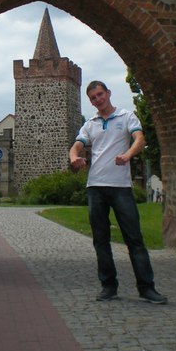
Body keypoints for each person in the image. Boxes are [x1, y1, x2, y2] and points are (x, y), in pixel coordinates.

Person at [69, 80, 167, 304]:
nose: (98, 99)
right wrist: (74, 157)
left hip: (121, 187)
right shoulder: (90, 124)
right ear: (91, 102)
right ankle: (108, 286)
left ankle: (147, 288)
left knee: (134, 238)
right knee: (100, 240)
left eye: (100, 94)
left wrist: (128, 155)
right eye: (93, 98)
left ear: (108, 93)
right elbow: (77, 145)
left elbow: (139, 139)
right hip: (95, 187)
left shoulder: (126, 116)